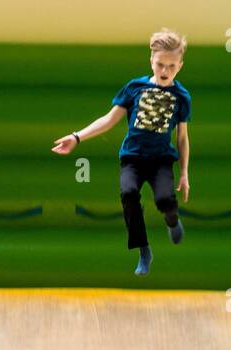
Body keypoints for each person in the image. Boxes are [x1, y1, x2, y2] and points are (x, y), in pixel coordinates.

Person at [51, 29, 192, 276]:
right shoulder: (134, 88)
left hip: (160, 160)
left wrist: (184, 173)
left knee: (165, 201)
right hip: (133, 158)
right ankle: (143, 249)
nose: (164, 71)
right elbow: (108, 120)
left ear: (180, 65)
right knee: (128, 193)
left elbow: (182, 138)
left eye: (171, 66)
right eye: (160, 64)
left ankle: (172, 220)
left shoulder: (181, 97)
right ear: (151, 61)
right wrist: (76, 137)